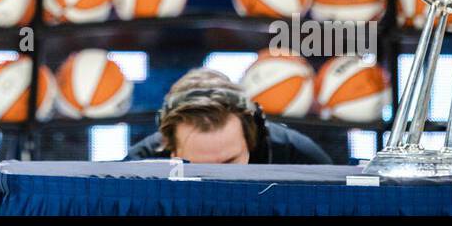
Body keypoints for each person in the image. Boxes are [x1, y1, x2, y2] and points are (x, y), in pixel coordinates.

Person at [126, 69, 331, 164]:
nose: (218, 180)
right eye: (200, 168)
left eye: (230, 162)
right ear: (171, 150)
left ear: (252, 137)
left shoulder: (298, 157)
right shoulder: (137, 169)